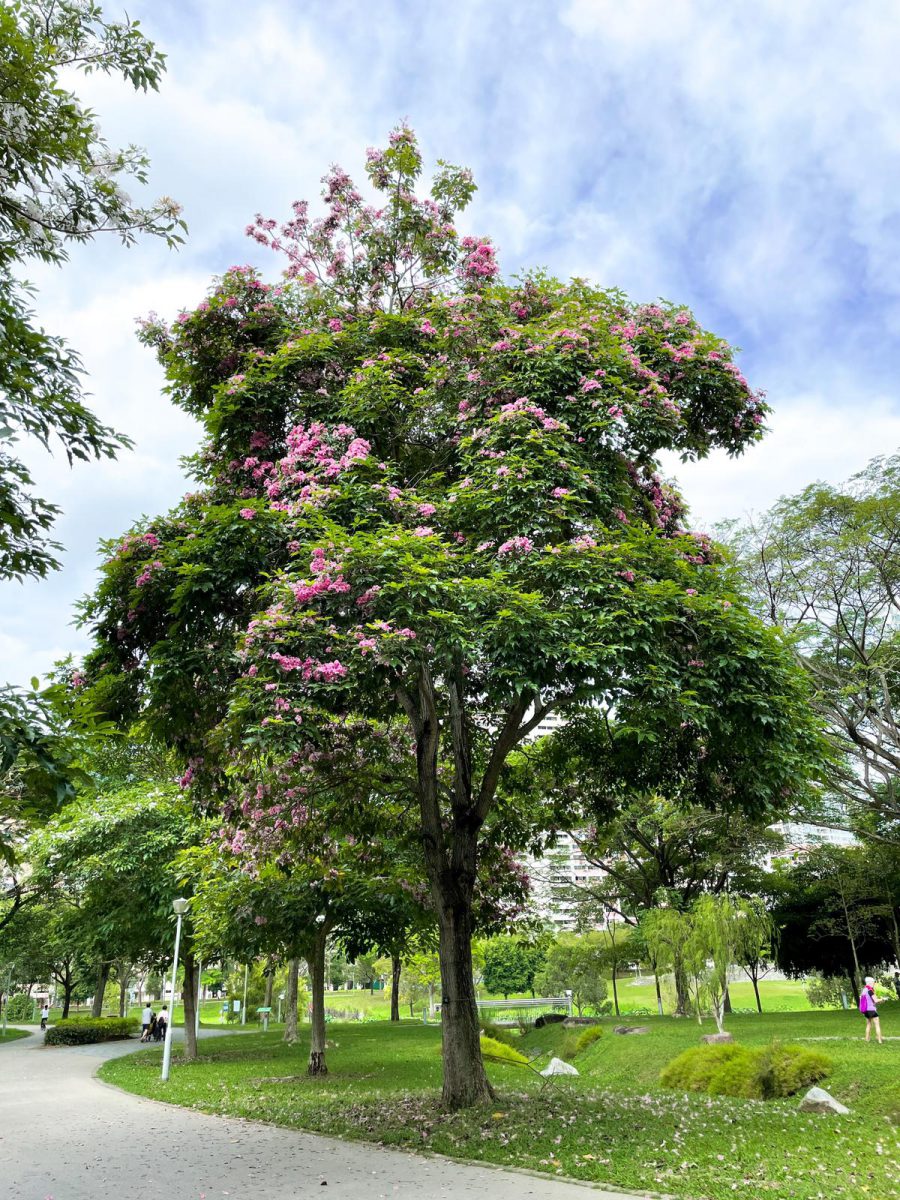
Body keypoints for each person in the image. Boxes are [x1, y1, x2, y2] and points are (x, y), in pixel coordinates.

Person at [860, 976, 883, 1044]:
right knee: (877, 1025)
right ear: (869, 982)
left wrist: (879, 1001)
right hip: (871, 1010)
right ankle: (880, 1041)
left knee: (868, 1024)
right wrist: (882, 999)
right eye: (873, 982)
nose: (874, 983)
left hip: (865, 1010)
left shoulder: (864, 990)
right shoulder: (870, 990)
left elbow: (868, 1000)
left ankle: (867, 1040)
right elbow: (875, 1000)